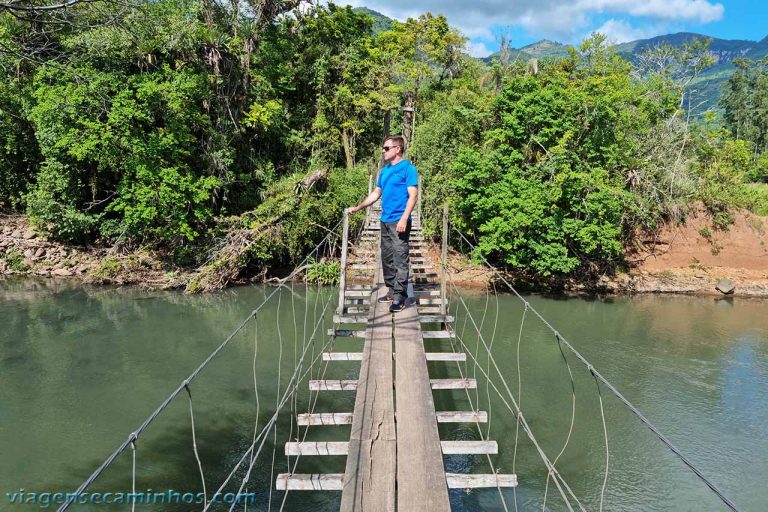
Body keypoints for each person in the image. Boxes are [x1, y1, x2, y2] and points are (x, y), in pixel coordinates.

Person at [347, 135, 418, 313]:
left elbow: (413, 195)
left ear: (397, 149)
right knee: (386, 257)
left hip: (399, 221)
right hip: (385, 220)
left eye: (386, 148)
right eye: (383, 148)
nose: (383, 151)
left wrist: (404, 218)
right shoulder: (384, 171)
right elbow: (376, 193)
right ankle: (391, 290)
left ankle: (400, 297)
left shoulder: (408, 169)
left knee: (400, 258)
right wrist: (358, 207)